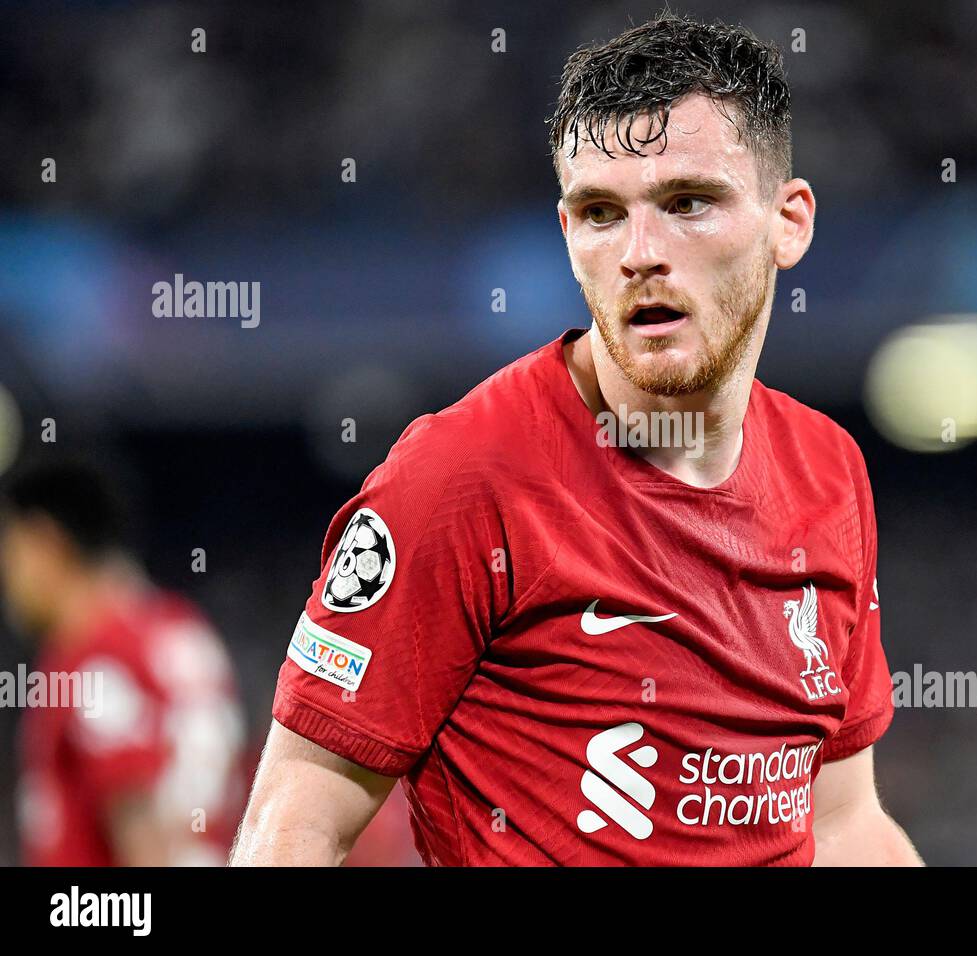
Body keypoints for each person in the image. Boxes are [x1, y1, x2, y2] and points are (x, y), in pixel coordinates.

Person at [232, 12, 921, 866]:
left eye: (687, 203)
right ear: (568, 236)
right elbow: (291, 828)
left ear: (790, 221)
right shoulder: (459, 479)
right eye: (601, 212)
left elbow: (846, 821)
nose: (640, 253)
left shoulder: (830, 471)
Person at [0, 457, 245, 865]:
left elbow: (136, 813)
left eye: (10, 551)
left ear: (46, 542)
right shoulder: (179, 625)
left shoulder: (94, 654)